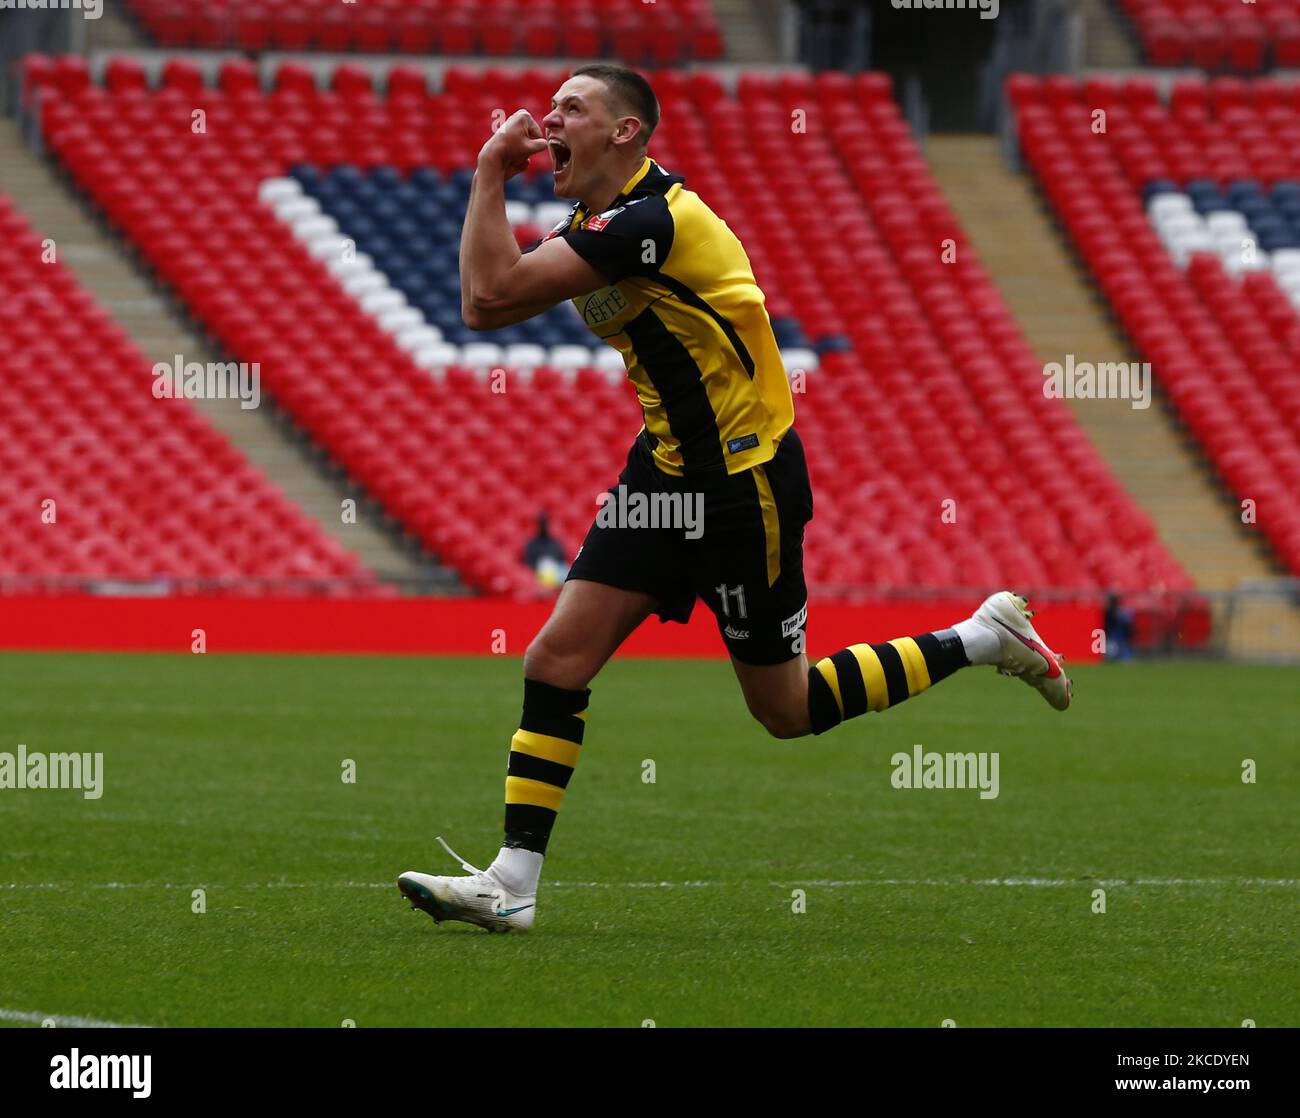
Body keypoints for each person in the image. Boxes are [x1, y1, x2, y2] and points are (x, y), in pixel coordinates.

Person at [398, 64, 1072, 933]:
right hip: (665, 475)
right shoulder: (597, 222)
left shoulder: (649, 222)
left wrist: (491, 173)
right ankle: (512, 884)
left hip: (742, 485)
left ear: (625, 133)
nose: (549, 119)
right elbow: (482, 309)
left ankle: (982, 637)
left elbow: (490, 293)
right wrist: (491, 177)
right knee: (555, 661)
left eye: (573, 108)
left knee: (784, 710)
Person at [521, 511, 569, 587]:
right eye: (541, 524)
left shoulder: (555, 542)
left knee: (566, 571)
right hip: (539, 572)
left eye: (545, 524)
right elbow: (528, 561)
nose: (543, 527)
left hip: (556, 571)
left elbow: (562, 558)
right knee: (546, 566)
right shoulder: (532, 544)